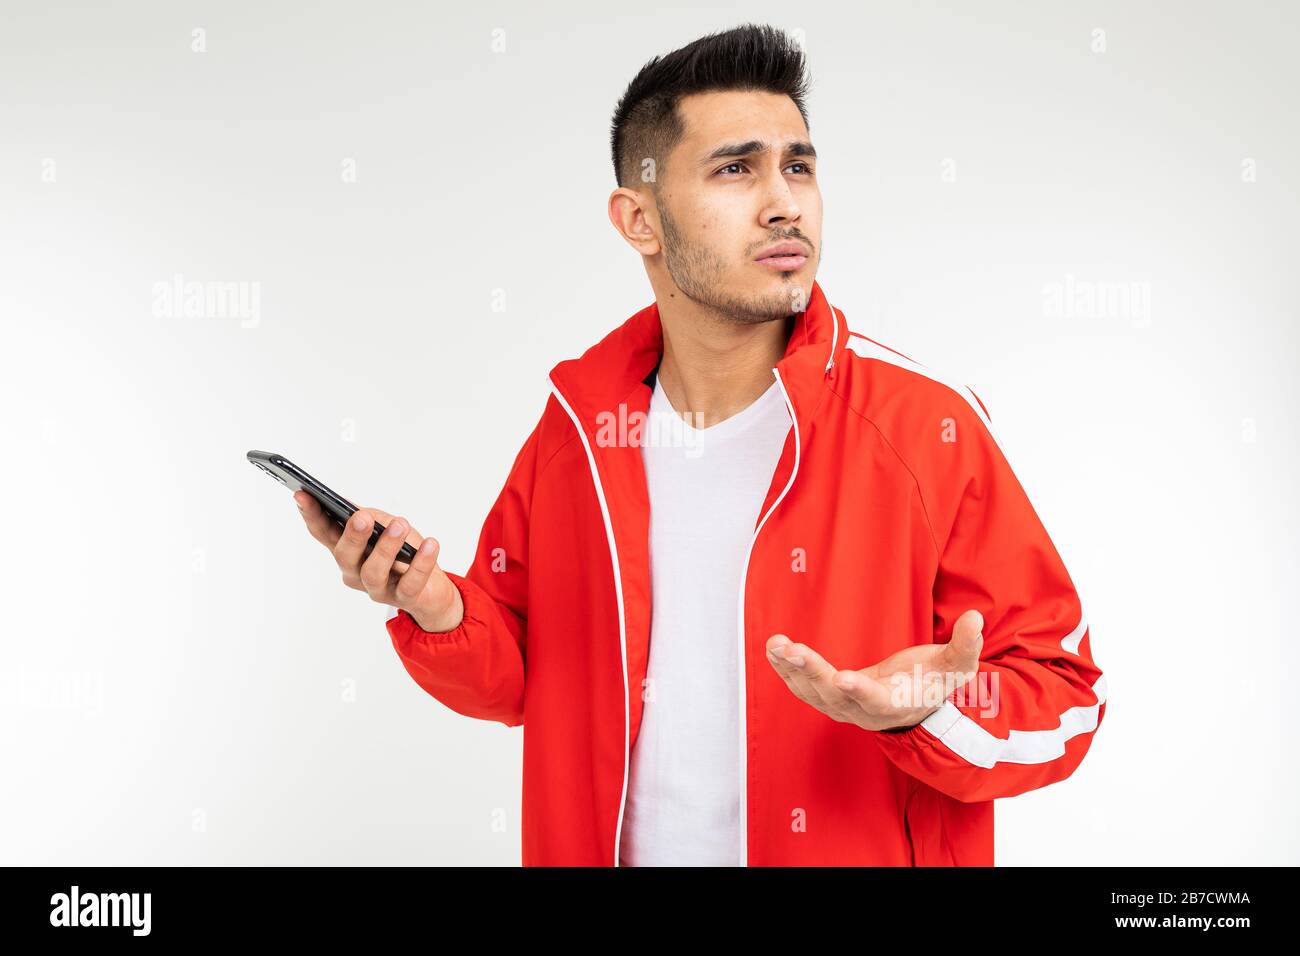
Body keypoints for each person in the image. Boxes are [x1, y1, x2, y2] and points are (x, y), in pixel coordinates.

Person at [293, 22, 1107, 867]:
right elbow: (531, 675)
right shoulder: (579, 428)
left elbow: (1068, 696)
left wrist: (926, 710)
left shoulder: (921, 426)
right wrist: (439, 609)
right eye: (735, 169)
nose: (784, 201)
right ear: (638, 219)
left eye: (799, 166)